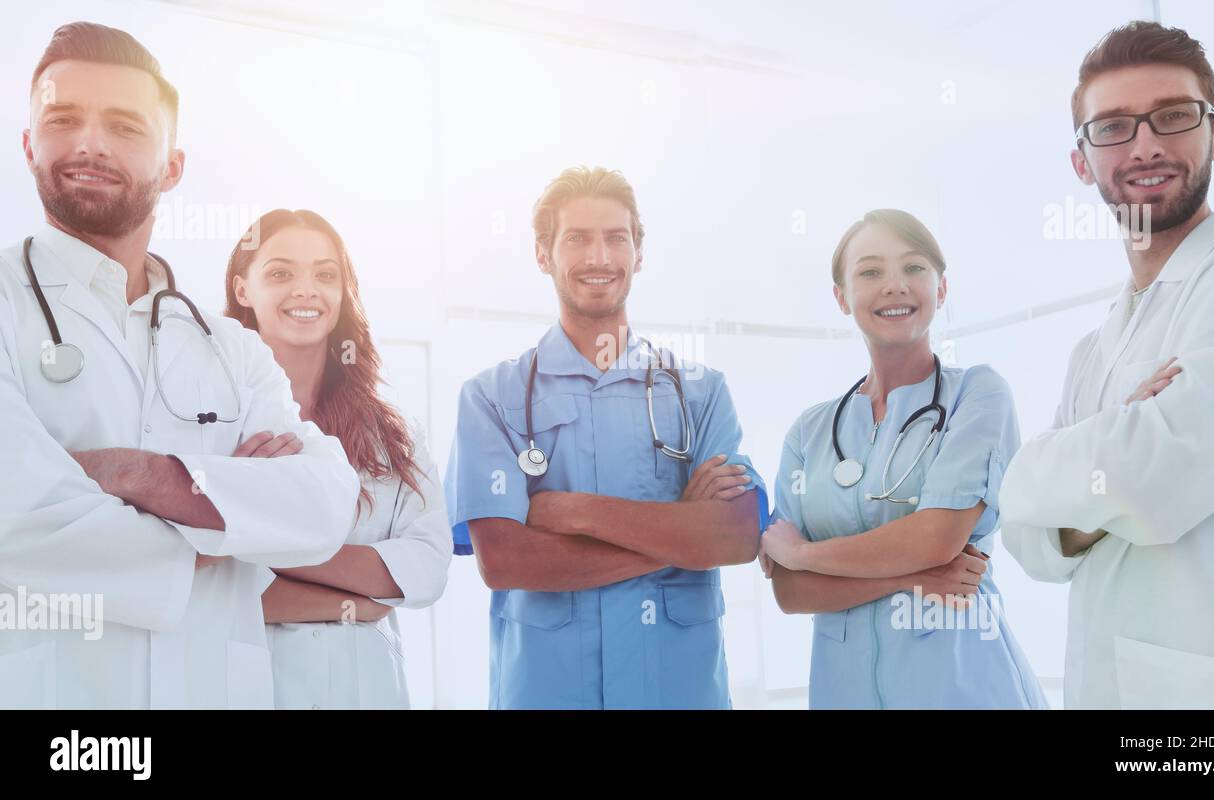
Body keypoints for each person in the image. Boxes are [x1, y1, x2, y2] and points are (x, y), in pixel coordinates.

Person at [0, 22, 358, 709]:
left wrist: (128, 473)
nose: (90, 143)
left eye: (126, 126)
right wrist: (232, 521)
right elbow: (18, 518)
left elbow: (324, 502)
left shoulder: (231, 347)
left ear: (172, 166)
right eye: (63, 119)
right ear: (28, 145)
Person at [999, 21, 1214, 709]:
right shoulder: (1097, 344)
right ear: (1082, 162)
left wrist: (1038, 471)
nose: (1145, 146)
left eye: (1173, 117)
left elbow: (1152, 477)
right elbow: (1031, 544)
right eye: (1113, 127)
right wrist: (1091, 486)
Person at [444, 166, 767, 709]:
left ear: (639, 252)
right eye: (577, 239)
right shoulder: (491, 397)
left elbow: (735, 536)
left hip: (679, 692)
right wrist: (680, 531)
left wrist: (574, 511)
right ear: (543, 254)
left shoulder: (700, 391)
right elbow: (504, 560)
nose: (599, 257)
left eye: (616, 238)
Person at [760, 209, 1048, 709]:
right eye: (870, 272)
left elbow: (937, 537)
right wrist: (909, 576)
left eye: (914, 268)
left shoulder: (977, 394)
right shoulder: (809, 432)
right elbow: (790, 592)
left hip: (963, 688)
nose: (895, 285)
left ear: (940, 289)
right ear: (841, 297)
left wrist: (805, 554)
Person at [224, 209, 453, 709]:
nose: (306, 290)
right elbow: (200, 577)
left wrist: (270, 552)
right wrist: (355, 597)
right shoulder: (211, 421)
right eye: (281, 273)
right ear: (243, 289)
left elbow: (429, 566)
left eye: (325, 275)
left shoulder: (391, 435)